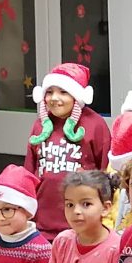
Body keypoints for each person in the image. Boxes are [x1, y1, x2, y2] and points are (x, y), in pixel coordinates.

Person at [23, 63, 110, 240]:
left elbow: (106, 171)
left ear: (77, 96)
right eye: (49, 92)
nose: (55, 98)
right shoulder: (40, 124)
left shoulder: (95, 124)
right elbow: (29, 170)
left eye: (63, 92)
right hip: (43, 224)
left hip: (82, 224)